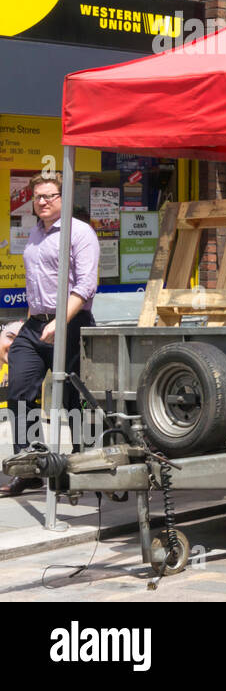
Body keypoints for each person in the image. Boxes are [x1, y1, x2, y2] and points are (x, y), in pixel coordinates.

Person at [2, 175, 99, 497]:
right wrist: (22, 326)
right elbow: (37, 287)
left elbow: (85, 286)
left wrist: (60, 320)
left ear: (64, 197)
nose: (42, 202)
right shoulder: (35, 233)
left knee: (74, 400)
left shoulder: (79, 232)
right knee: (18, 390)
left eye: (49, 196)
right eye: (38, 197)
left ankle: (83, 466)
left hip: (71, 323)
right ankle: (29, 466)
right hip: (36, 325)